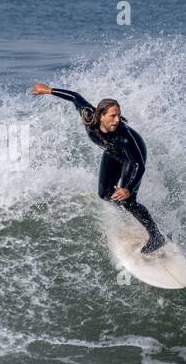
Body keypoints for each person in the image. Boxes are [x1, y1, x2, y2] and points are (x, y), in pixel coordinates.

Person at [31, 83, 166, 252]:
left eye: (119, 115)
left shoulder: (124, 137)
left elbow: (139, 165)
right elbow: (75, 97)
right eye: (112, 116)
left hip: (132, 157)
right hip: (111, 152)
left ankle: (156, 236)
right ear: (100, 116)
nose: (117, 120)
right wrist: (49, 91)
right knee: (104, 194)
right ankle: (128, 214)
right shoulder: (88, 115)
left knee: (127, 200)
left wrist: (128, 189)